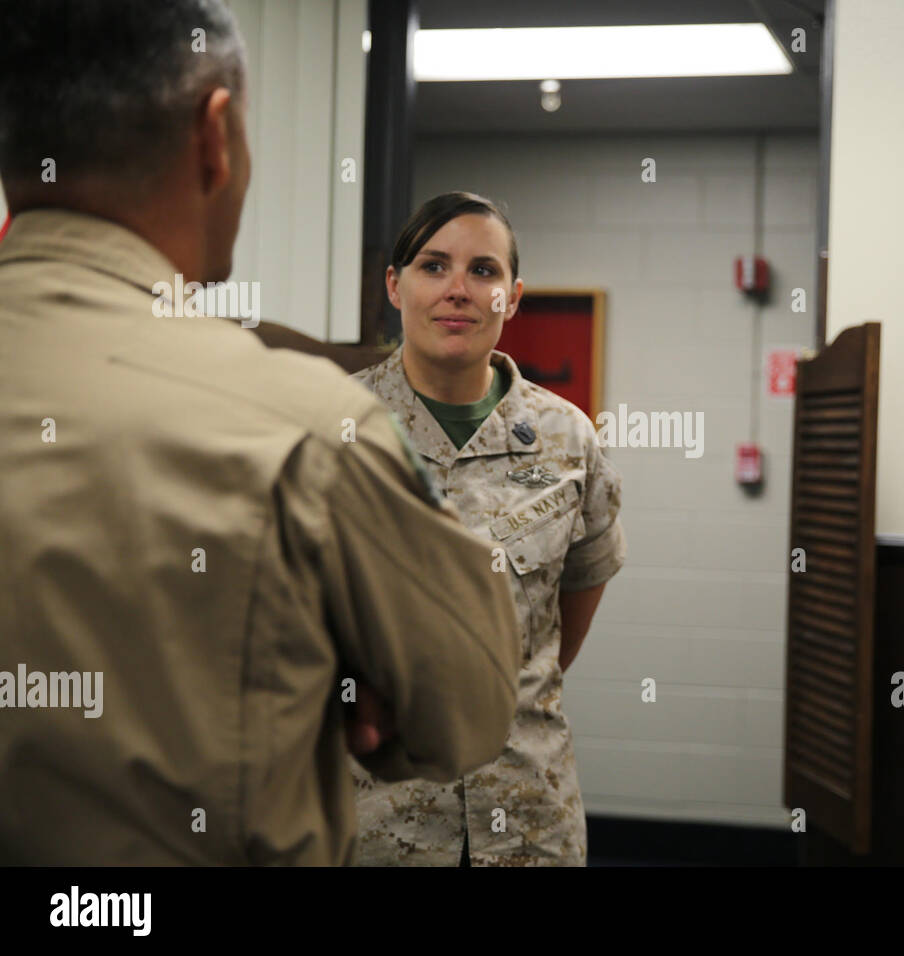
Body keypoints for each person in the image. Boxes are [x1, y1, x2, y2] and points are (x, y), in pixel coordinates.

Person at [0, 0, 519, 865]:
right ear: (215, 137)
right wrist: (336, 676)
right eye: (433, 266)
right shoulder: (307, 430)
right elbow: (469, 703)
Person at [350, 192, 627, 866]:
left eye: (483, 270)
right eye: (433, 266)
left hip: (529, 819)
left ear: (513, 296)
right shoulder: (334, 427)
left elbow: (563, 626)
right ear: (395, 285)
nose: (458, 289)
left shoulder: (567, 439)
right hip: (373, 822)